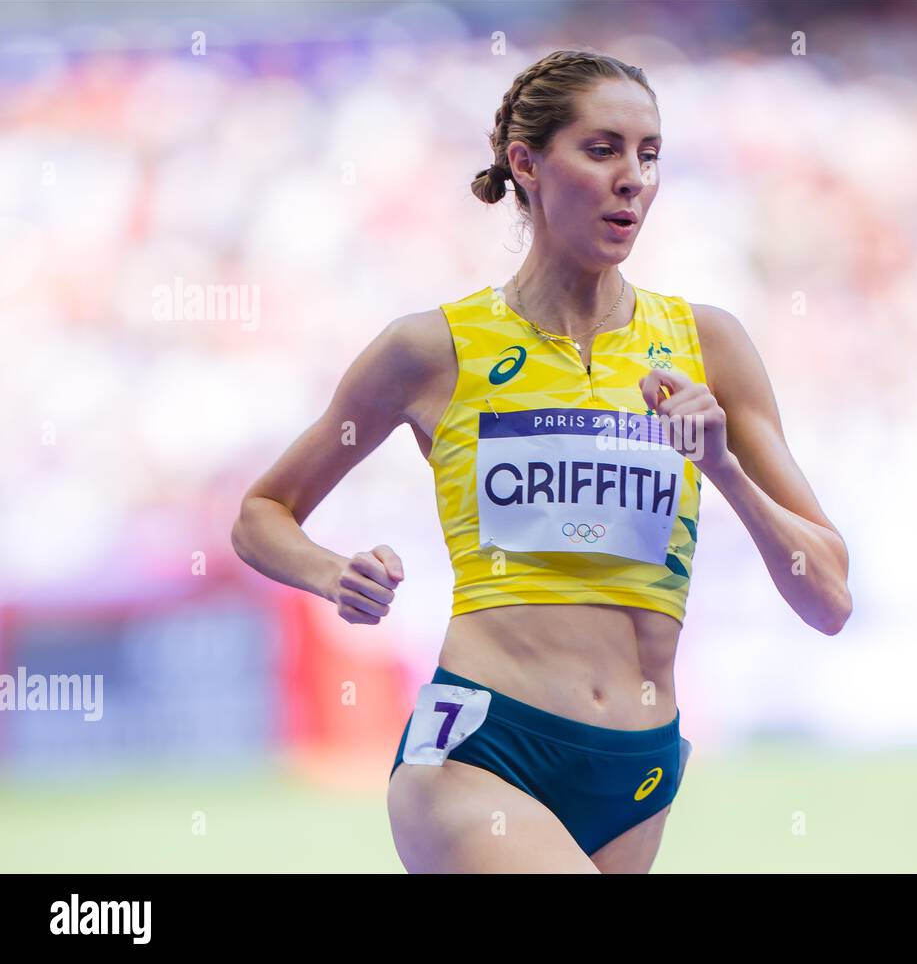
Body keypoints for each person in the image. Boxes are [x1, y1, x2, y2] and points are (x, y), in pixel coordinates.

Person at [231, 49, 851, 873]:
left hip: (637, 769)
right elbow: (259, 515)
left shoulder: (709, 345)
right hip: (480, 748)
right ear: (525, 164)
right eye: (602, 150)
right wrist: (330, 572)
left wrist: (725, 468)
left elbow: (831, 598)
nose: (634, 178)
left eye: (650, 153)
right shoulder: (432, 349)